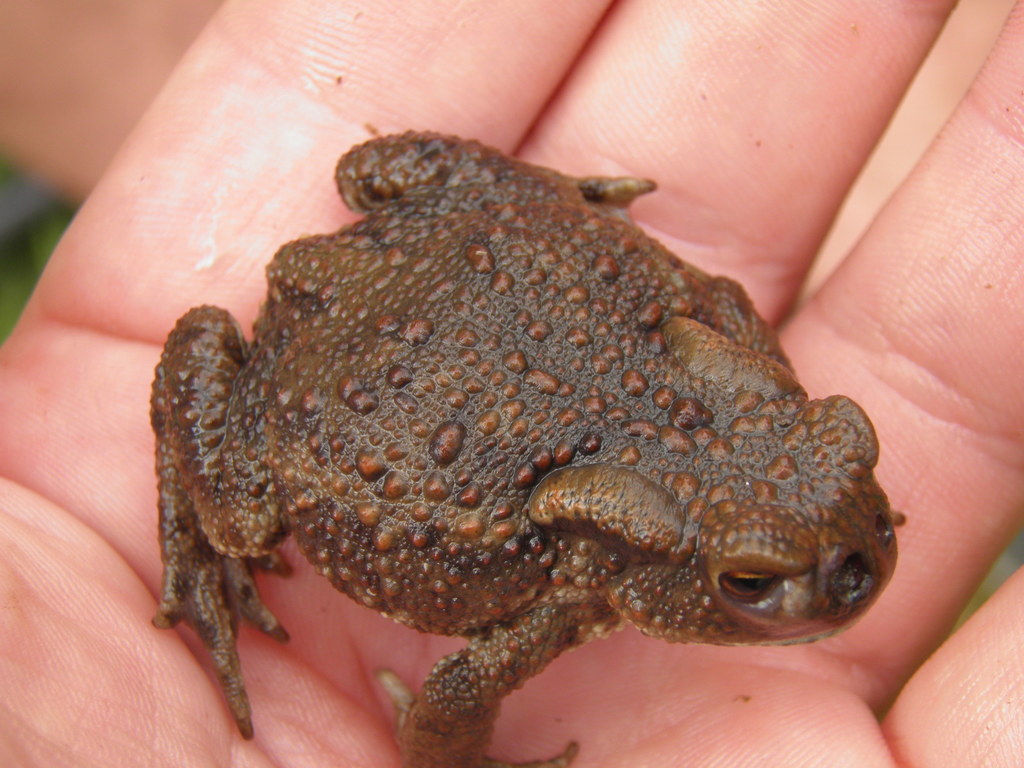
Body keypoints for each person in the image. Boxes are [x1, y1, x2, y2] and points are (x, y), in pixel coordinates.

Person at [1, 2, 1022, 766]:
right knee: (240, 515)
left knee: (386, 189)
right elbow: (451, 697)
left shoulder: (737, 388)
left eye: (848, 463)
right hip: (325, 377)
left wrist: (551, 211)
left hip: (478, 255)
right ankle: (197, 545)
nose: (854, 565)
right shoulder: (581, 570)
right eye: (752, 583)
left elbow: (715, 308)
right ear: (643, 567)